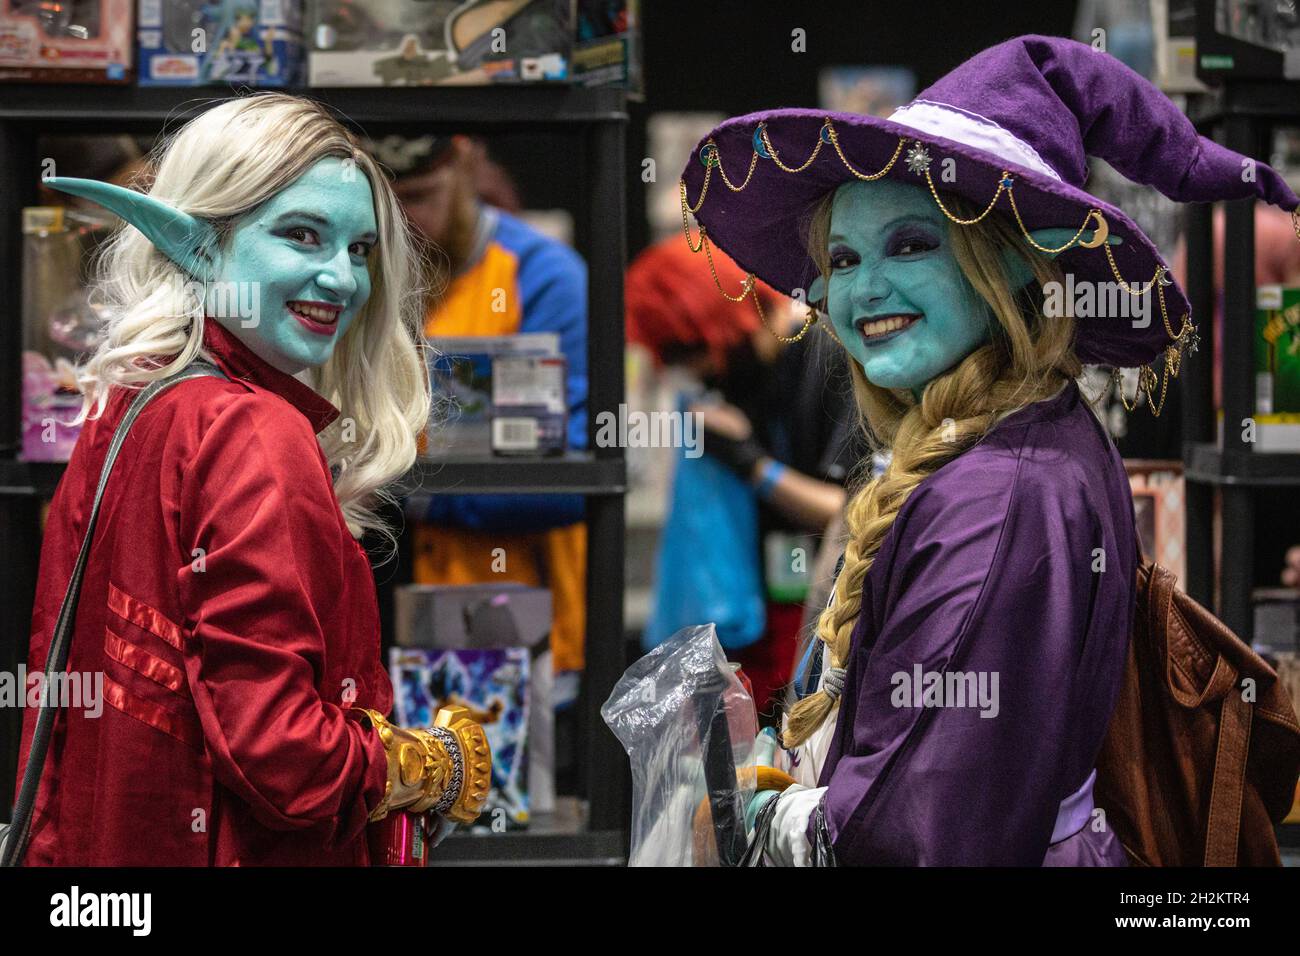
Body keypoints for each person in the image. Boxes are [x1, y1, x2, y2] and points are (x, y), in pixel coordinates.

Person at [678, 35, 1299, 865]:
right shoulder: (1024, 436)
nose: (865, 290)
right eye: (844, 258)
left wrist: (752, 822)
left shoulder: (996, 495)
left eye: (910, 245)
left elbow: (926, 833)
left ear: (1008, 260)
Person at [10, 94, 490, 866]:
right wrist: (425, 766)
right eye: (301, 235)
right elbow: (282, 755)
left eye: (362, 250)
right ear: (202, 241)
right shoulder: (253, 430)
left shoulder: (130, 404)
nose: (341, 280)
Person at [373, 133, 590, 699]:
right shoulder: (362, 270)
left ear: (466, 168)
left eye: (419, 196)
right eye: (384, 204)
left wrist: (401, 488)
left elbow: (569, 480)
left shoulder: (539, 278)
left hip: (502, 622)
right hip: (377, 616)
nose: (403, 224)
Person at [626, 236, 863, 715]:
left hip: (825, 615)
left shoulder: (826, 354)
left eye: (683, 351)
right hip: (755, 618)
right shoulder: (728, 379)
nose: (691, 370)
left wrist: (752, 464)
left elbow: (852, 512)